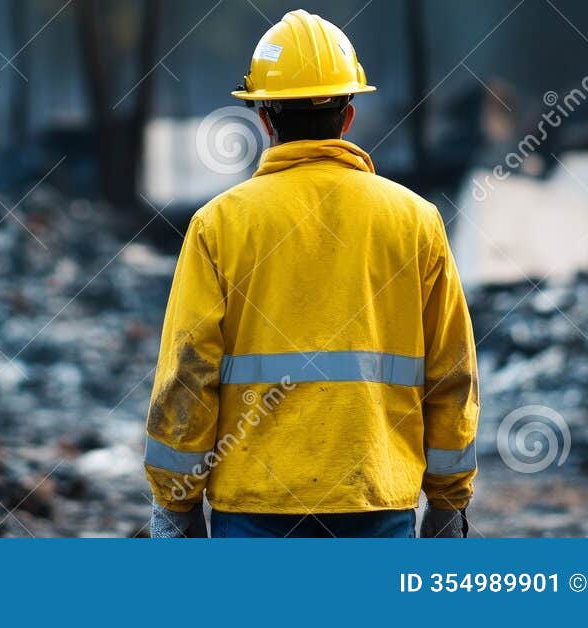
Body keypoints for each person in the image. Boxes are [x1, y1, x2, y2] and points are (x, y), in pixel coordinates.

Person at [144, 9, 477, 538]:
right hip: (376, 504)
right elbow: (451, 373)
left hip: (255, 510)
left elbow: (188, 372)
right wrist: (447, 499)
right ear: (347, 116)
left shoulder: (219, 225)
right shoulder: (416, 221)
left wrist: (175, 501)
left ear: (263, 117)